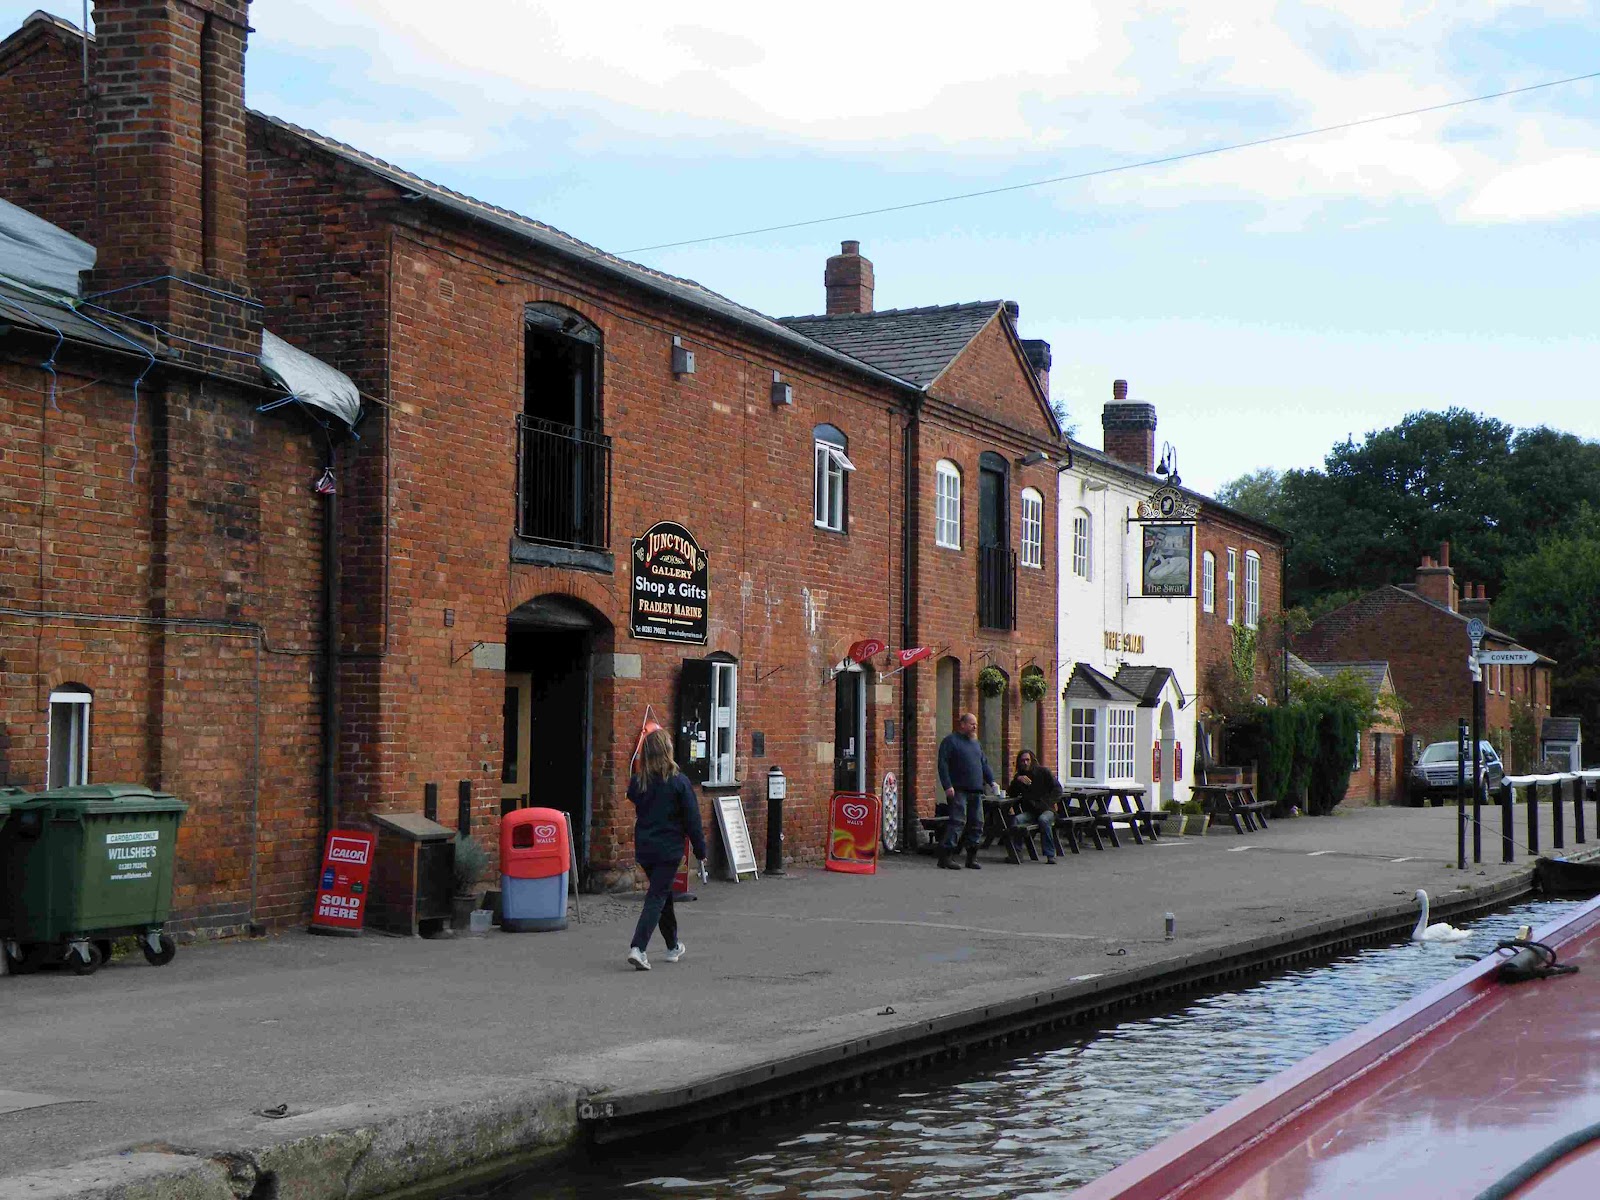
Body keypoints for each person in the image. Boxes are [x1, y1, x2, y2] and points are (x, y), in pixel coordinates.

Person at [626, 727, 707, 971]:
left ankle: (672, 945)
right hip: (669, 849)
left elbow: (634, 795)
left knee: (663, 894)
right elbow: (692, 820)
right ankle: (638, 948)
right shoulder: (679, 783)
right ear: (668, 750)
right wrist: (701, 851)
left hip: (646, 848)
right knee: (657, 896)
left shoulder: (639, 783)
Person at [936, 712, 995, 870]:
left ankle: (971, 857)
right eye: (971, 723)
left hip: (976, 790)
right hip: (959, 789)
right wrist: (947, 785)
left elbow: (983, 763)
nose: (974, 727)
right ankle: (946, 856)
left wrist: (992, 781)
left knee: (977, 823)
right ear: (962, 724)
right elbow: (943, 765)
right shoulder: (951, 741)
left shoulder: (976, 743)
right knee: (957, 822)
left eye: (975, 724)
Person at [1007, 749, 1061, 864]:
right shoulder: (1020, 777)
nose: (1025, 763)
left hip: (1047, 809)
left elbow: (1057, 789)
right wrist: (1017, 780)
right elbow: (1011, 793)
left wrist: (1049, 802)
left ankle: (1050, 855)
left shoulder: (1043, 772)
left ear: (1032, 760)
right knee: (1016, 820)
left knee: (1044, 820)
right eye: (1022, 761)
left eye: (1027, 760)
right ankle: (1016, 853)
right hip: (1031, 812)